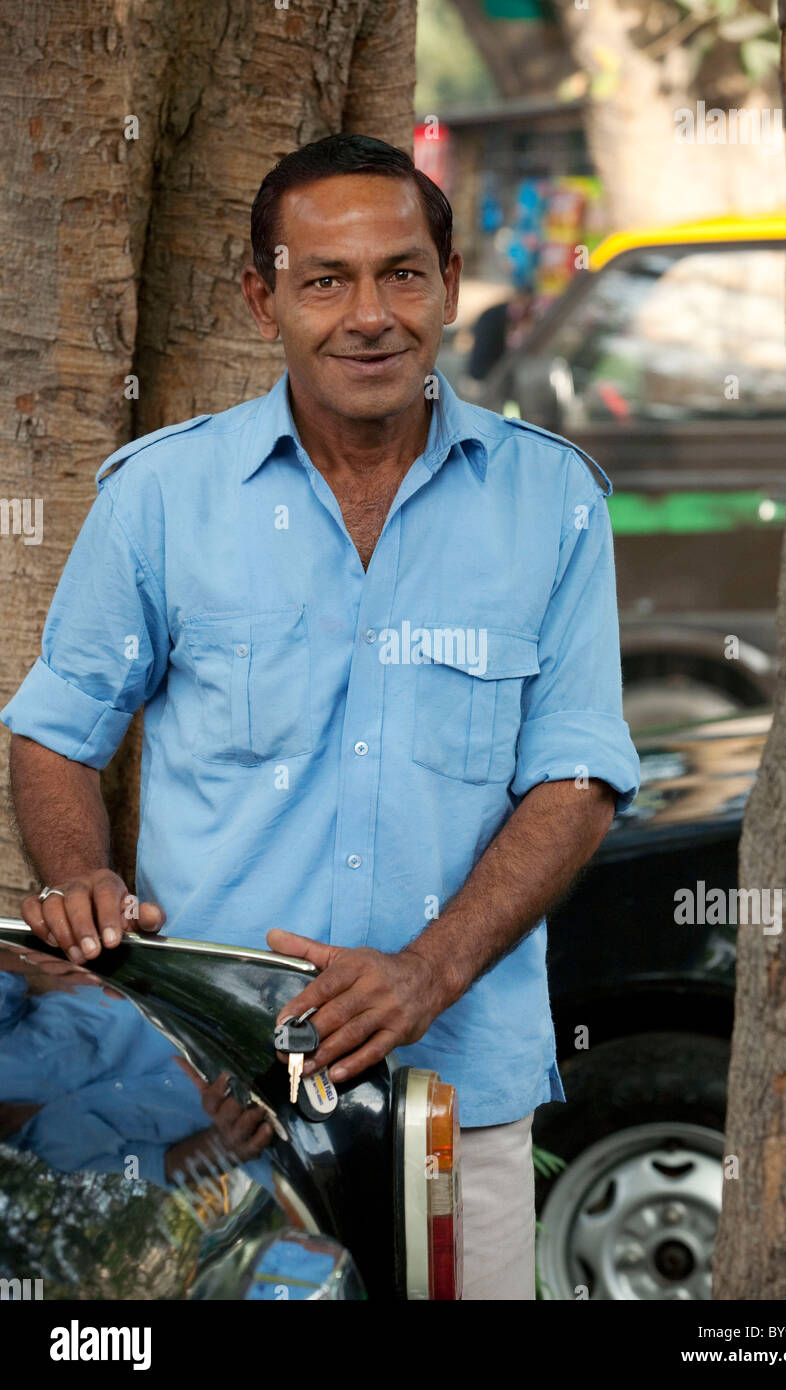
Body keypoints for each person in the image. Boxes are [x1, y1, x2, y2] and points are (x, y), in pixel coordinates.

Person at [1, 132, 640, 1300]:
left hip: (457, 1096)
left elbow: (577, 779)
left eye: (402, 272)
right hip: (205, 1092)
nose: (369, 315)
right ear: (263, 298)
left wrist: (424, 974)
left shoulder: (550, 500)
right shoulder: (161, 497)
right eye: (324, 279)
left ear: (450, 285)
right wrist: (78, 871)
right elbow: (55, 729)